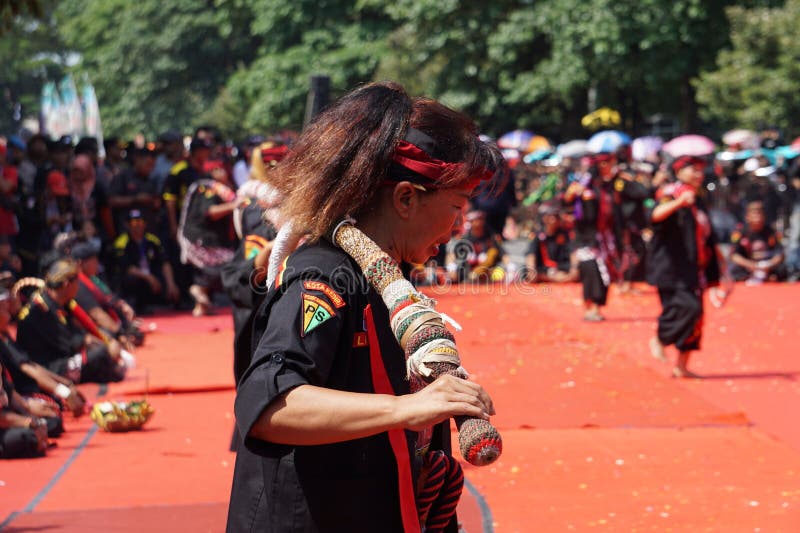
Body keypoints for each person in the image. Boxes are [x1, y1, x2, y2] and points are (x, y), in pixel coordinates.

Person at [227, 81, 498, 533]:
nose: (457, 230)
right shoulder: (323, 275)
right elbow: (270, 406)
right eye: (456, 207)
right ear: (406, 198)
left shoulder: (388, 272)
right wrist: (409, 409)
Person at [647, 156, 730, 378]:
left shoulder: (699, 198)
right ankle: (661, 338)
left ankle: (681, 366)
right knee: (686, 308)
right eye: (693, 170)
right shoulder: (670, 193)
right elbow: (654, 215)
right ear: (680, 171)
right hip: (672, 266)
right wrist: (679, 203)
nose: (698, 175)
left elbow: (706, 234)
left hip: (696, 267)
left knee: (696, 317)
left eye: (701, 171)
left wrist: (718, 262)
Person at [15, 259, 127, 384]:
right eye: (77, 282)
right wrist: (103, 347)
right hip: (51, 367)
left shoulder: (61, 303)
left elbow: (79, 334)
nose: (78, 286)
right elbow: (68, 345)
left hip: (63, 354)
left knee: (104, 341)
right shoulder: (41, 310)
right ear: (66, 284)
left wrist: (102, 340)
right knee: (100, 353)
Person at [178, 159, 241, 316]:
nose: (224, 172)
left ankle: (201, 305)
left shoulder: (213, 187)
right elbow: (210, 211)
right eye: (219, 169)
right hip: (199, 239)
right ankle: (198, 290)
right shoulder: (207, 188)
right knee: (231, 262)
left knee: (211, 269)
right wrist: (234, 206)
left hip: (207, 239)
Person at [113, 210, 179, 313]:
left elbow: (164, 262)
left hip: (153, 277)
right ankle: (136, 306)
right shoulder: (121, 243)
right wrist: (149, 278)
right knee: (131, 279)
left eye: (140, 222)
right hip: (138, 279)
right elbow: (127, 268)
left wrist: (171, 283)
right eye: (134, 223)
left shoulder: (153, 240)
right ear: (127, 225)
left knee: (173, 274)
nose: (137, 225)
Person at [729, 200, 787, 283]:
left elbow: (780, 253)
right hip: (749, 265)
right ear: (747, 216)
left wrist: (769, 264)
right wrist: (751, 265)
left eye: (759, 213)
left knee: (782, 268)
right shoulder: (739, 233)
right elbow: (734, 255)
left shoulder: (772, 232)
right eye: (754, 213)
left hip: (767, 265)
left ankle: (771, 278)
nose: (757, 216)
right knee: (734, 269)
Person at [524, 203, 577, 283]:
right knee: (526, 271)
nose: (553, 219)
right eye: (551, 216)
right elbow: (531, 254)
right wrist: (531, 270)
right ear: (544, 218)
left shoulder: (565, 234)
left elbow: (572, 252)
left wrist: (574, 269)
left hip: (561, 267)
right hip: (544, 269)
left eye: (556, 216)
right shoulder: (538, 235)